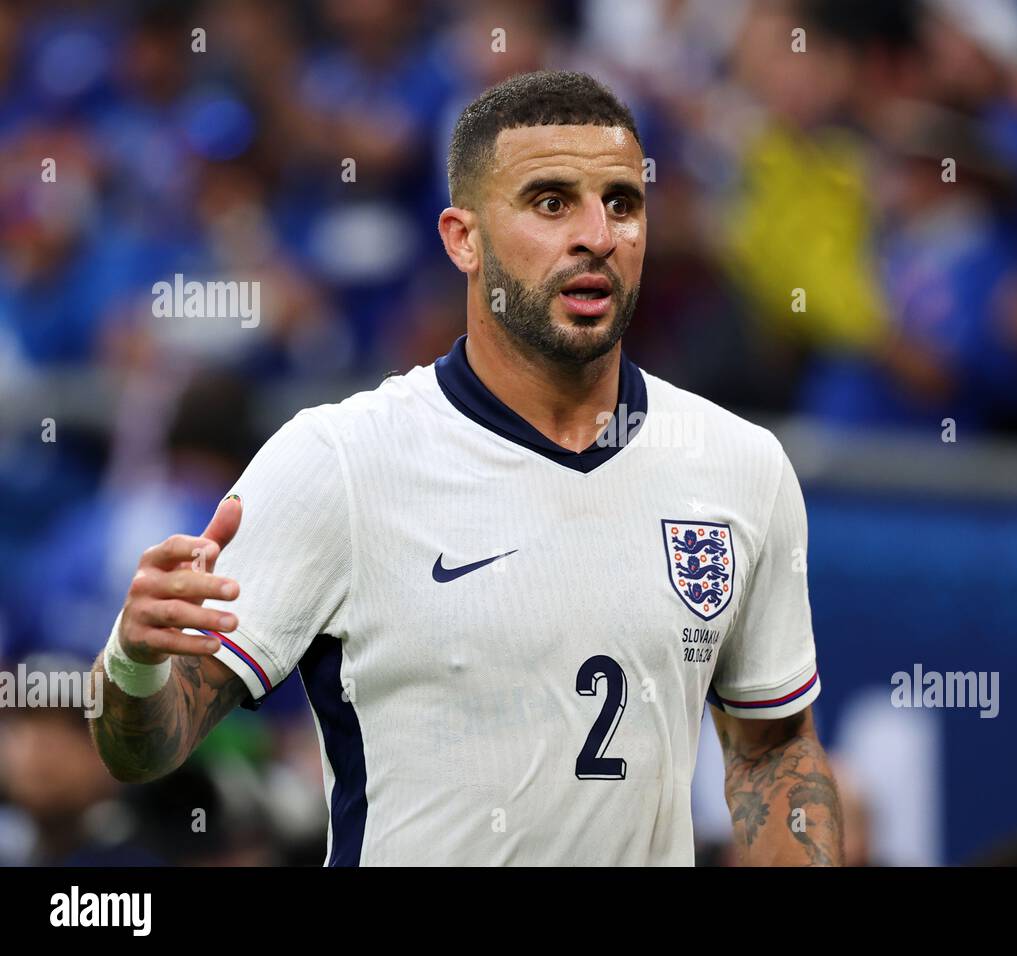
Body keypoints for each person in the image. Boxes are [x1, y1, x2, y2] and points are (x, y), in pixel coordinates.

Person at [88, 70, 842, 866]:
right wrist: (136, 661)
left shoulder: (740, 465)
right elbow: (142, 750)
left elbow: (773, 750)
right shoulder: (340, 462)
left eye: (622, 203)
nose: (597, 234)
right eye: (551, 203)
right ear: (463, 239)